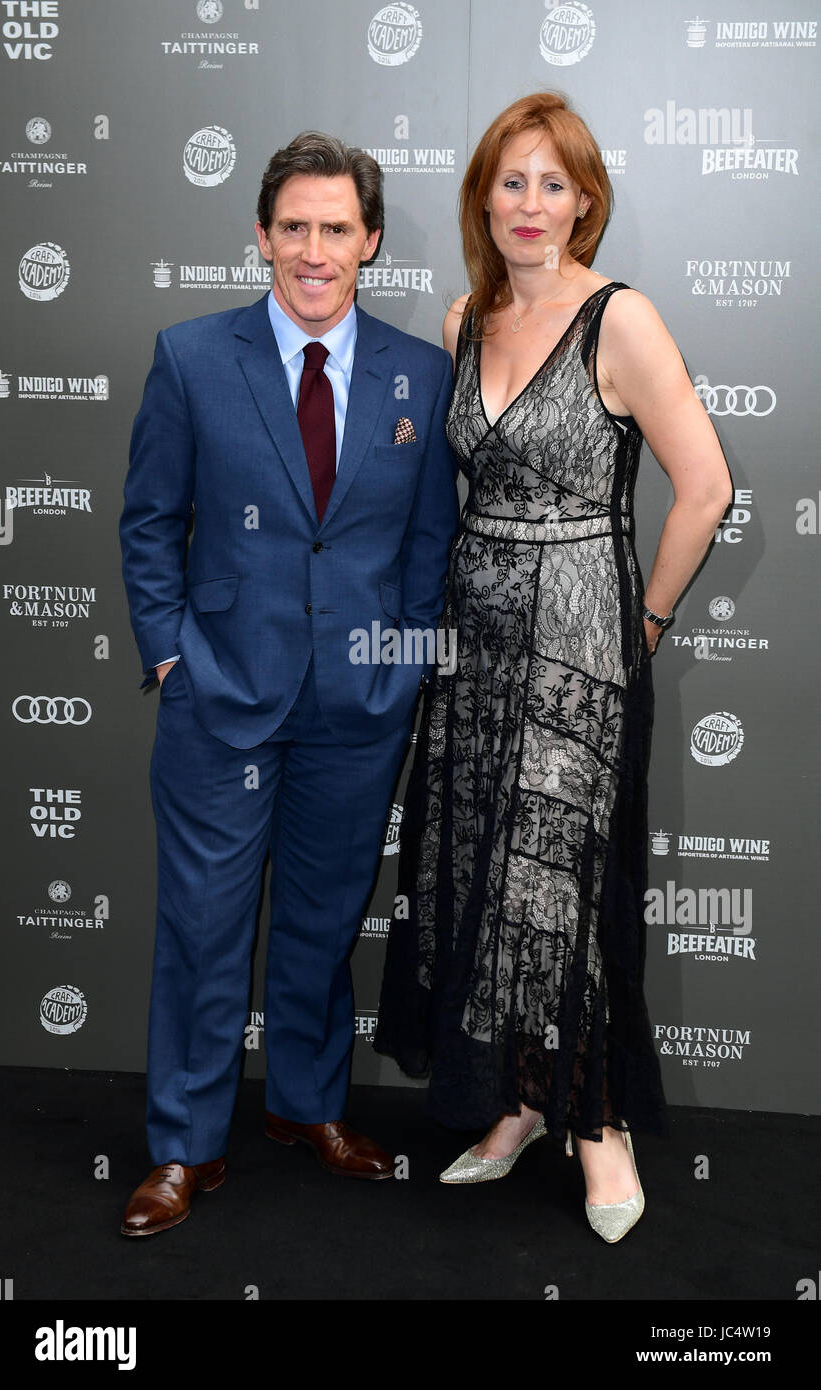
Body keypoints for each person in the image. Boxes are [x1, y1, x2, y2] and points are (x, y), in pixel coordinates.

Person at [374, 93, 733, 1242]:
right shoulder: (461, 319)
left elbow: (705, 486)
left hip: (580, 630)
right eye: (509, 181)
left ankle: (596, 1126)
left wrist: (650, 620)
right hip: (473, 636)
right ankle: (517, 1104)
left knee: (562, 888)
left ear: (585, 200)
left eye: (552, 183)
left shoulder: (617, 318)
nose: (529, 205)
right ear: (483, 194)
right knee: (484, 867)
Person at [118, 131, 459, 1236]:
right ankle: (182, 1143)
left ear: (369, 244)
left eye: (337, 230)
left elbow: (426, 550)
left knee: (319, 923)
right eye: (294, 228)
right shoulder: (189, 357)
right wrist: (172, 655)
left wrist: (399, 676)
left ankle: (308, 1108)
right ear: (260, 237)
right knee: (204, 927)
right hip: (221, 695)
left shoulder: (419, 372)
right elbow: (149, 522)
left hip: (356, 710)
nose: (314, 251)